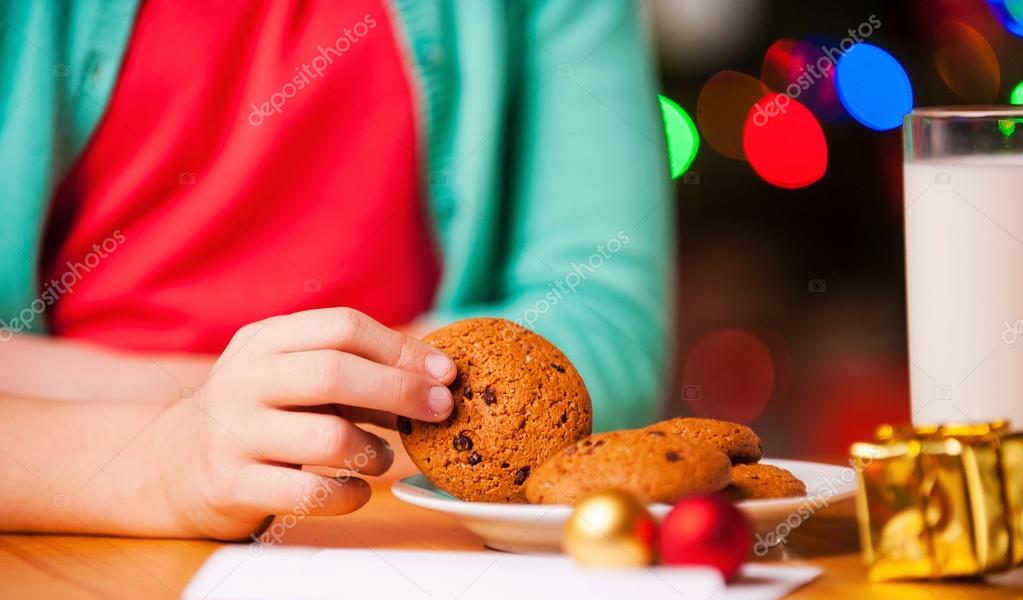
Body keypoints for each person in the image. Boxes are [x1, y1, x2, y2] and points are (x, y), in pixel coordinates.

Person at [0, 0, 672, 539]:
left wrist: (235, 420)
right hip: (65, 545)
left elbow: (601, 335)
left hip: (394, 545)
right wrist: (165, 455)